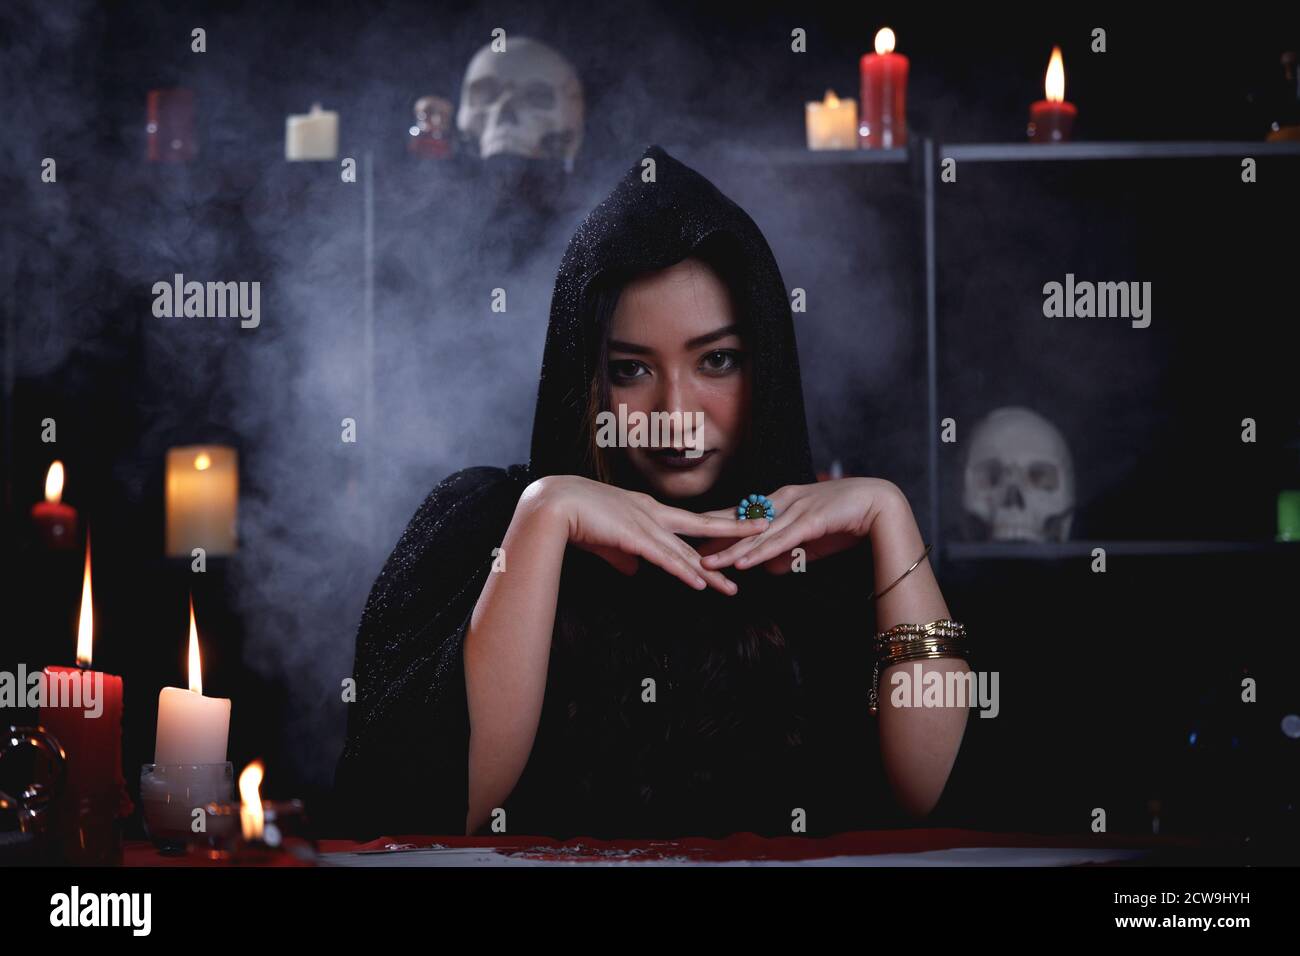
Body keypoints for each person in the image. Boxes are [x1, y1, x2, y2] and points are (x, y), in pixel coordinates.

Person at [334, 145, 970, 840]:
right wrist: (546, 518)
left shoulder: (813, 532)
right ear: (588, 381)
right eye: (633, 370)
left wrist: (892, 519)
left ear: (766, 369)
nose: (677, 411)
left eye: (716, 361)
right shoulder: (491, 518)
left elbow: (925, 792)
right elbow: (439, 813)